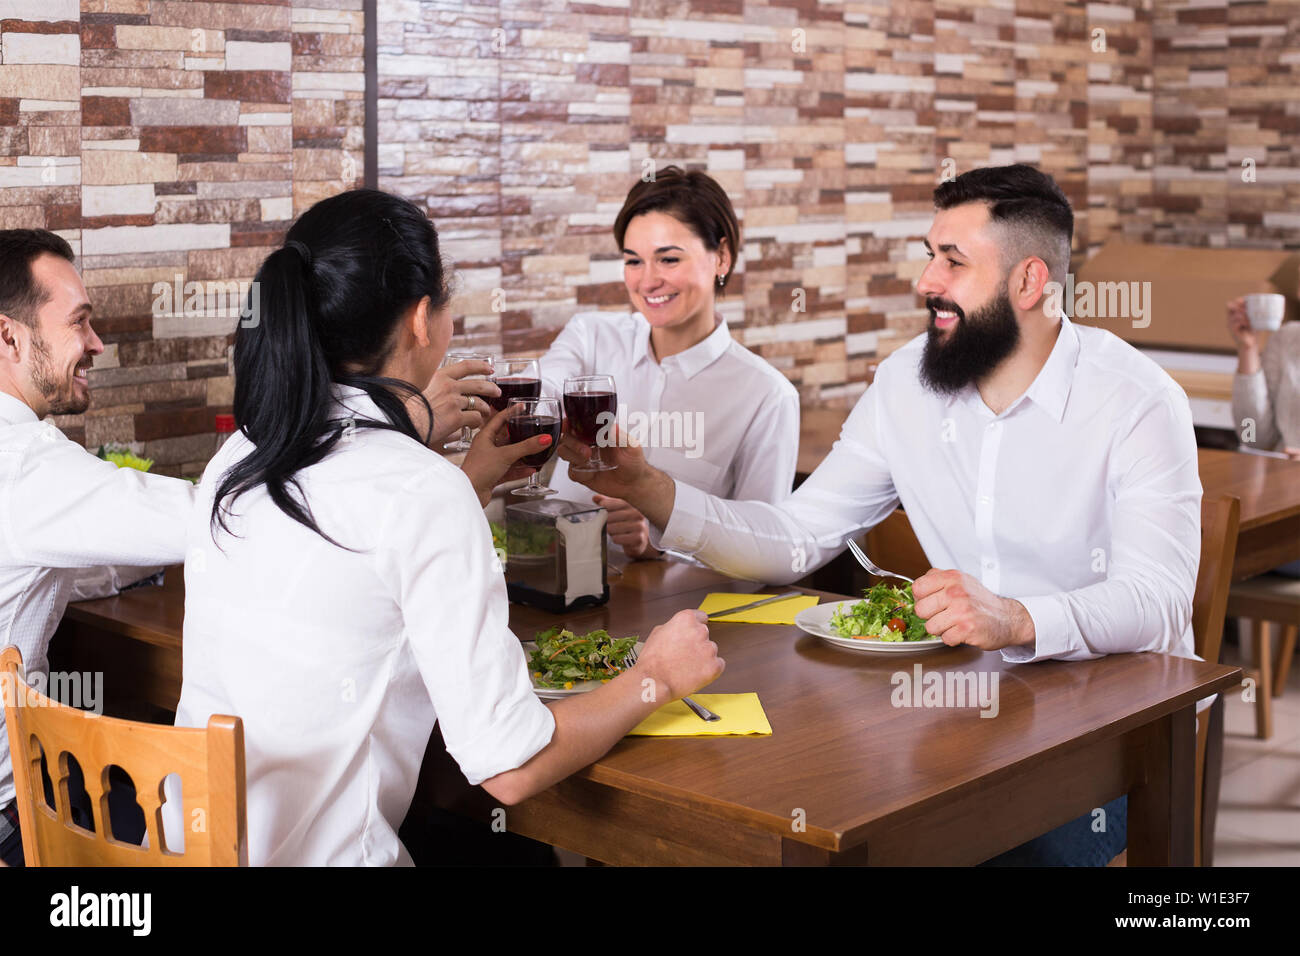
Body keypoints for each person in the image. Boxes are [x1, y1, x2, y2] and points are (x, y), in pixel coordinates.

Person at [558, 164, 1204, 865]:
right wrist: (650, 487)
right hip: (965, 707)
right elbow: (796, 537)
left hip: (1114, 727)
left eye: (952, 262)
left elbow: (1156, 599)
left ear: (1028, 282)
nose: (927, 281)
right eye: (930, 255)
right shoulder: (905, 383)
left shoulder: (1138, 400)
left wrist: (1017, 618)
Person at [163, 189, 724, 866]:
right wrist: (655, 675)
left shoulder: (241, 454)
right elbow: (510, 767)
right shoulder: (417, 488)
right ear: (423, 320)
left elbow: (362, 548)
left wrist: (469, 479)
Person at [0, 229, 196, 866]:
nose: (96, 344)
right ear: (9, 337)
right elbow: (208, 518)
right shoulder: (27, 463)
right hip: (18, 819)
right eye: (79, 322)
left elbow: (40, 558)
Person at [538, 166, 800, 559]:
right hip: (544, 589)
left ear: (722, 258)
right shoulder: (591, 338)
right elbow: (538, 391)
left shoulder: (766, 396)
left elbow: (765, 548)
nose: (647, 282)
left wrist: (660, 541)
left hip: (674, 612)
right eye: (633, 261)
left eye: (669, 259)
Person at [1228, 299, 1300, 577]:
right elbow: (1253, 436)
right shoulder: (1288, 339)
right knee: (1203, 553)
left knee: (1217, 559)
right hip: (1280, 515)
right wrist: (1248, 349)